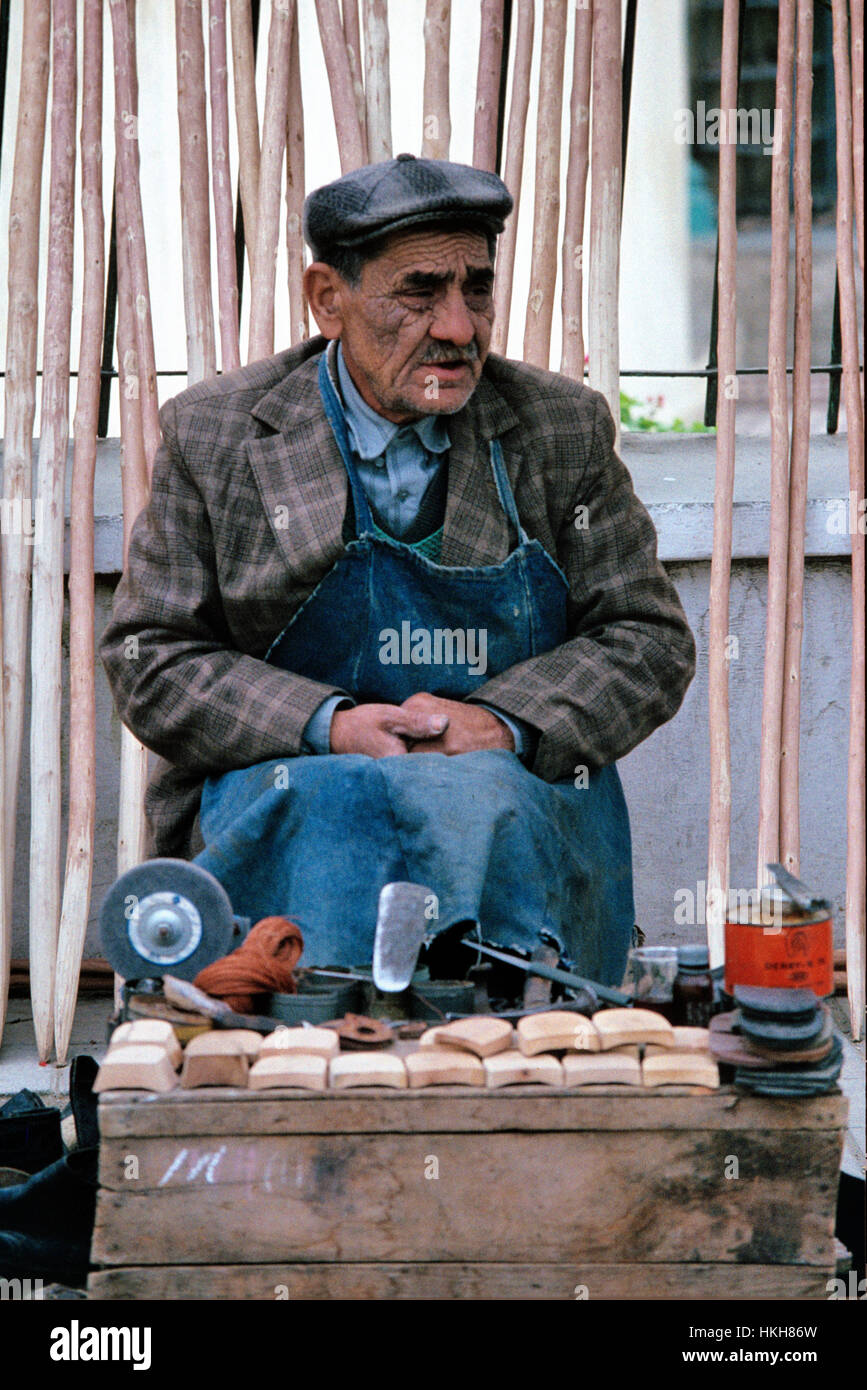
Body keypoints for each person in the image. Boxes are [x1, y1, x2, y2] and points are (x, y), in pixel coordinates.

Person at [100, 155, 696, 987]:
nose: (457, 327)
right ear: (327, 299)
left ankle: (515, 1009)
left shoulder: (559, 428)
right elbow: (151, 657)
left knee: (483, 798)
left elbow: (647, 638)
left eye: (476, 290)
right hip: (293, 801)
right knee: (331, 801)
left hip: (503, 803)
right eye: (419, 292)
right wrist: (331, 725)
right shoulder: (218, 434)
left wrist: (500, 724)